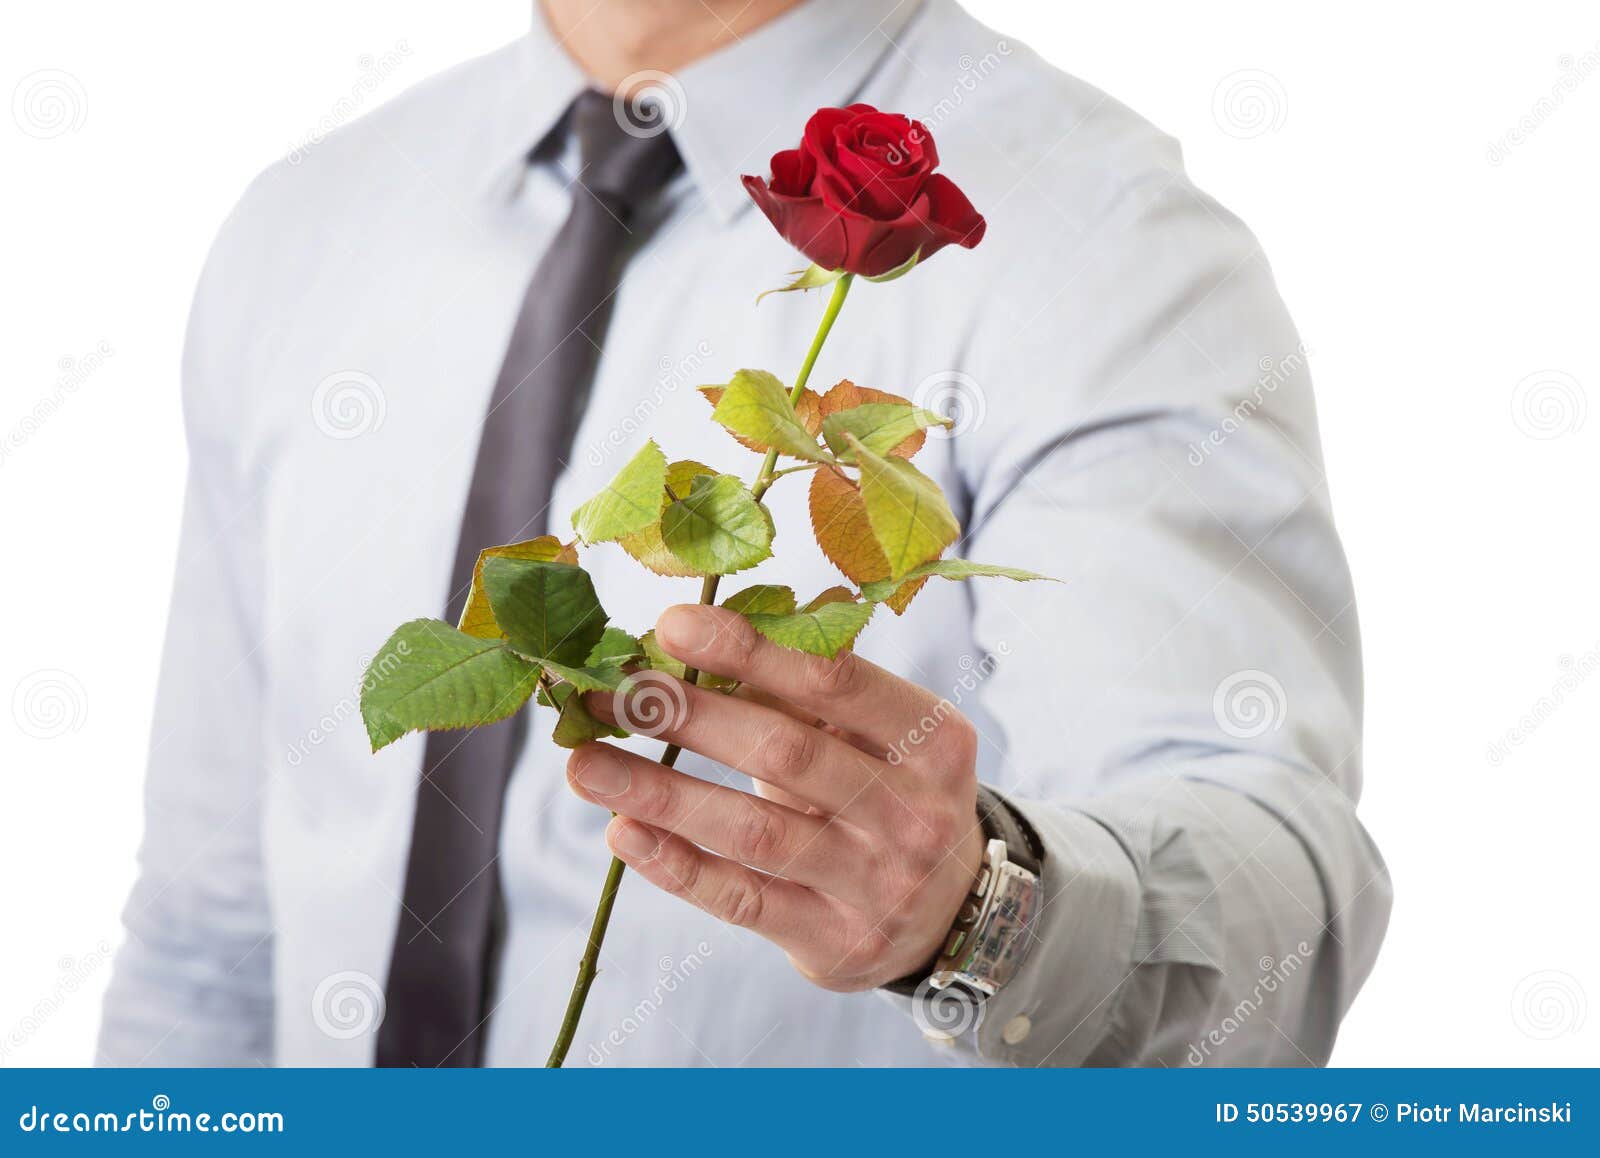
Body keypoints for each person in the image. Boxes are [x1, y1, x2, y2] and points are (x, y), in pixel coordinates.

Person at [98, 0, 1389, 1067]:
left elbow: (1281, 905)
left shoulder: (1102, 248)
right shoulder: (303, 233)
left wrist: (980, 915)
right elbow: (208, 944)